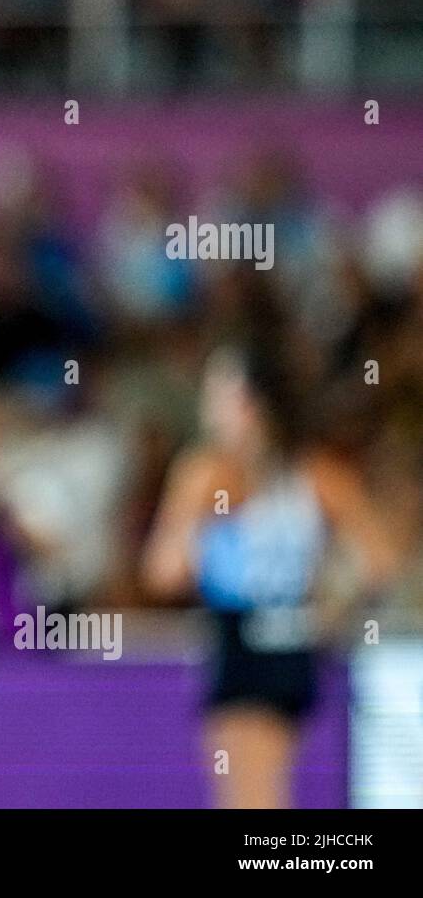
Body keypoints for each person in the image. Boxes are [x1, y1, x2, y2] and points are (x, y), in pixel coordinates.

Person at [143, 342, 399, 808]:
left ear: (248, 402)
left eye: (217, 395)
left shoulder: (209, 473)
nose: (208, 409)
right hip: (291, 644)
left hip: (242, 643)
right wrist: (328, 601)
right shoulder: (316, 474)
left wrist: (203, 532)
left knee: (251, 799)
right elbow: (379, 561)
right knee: (257, 791)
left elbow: (164, 572)